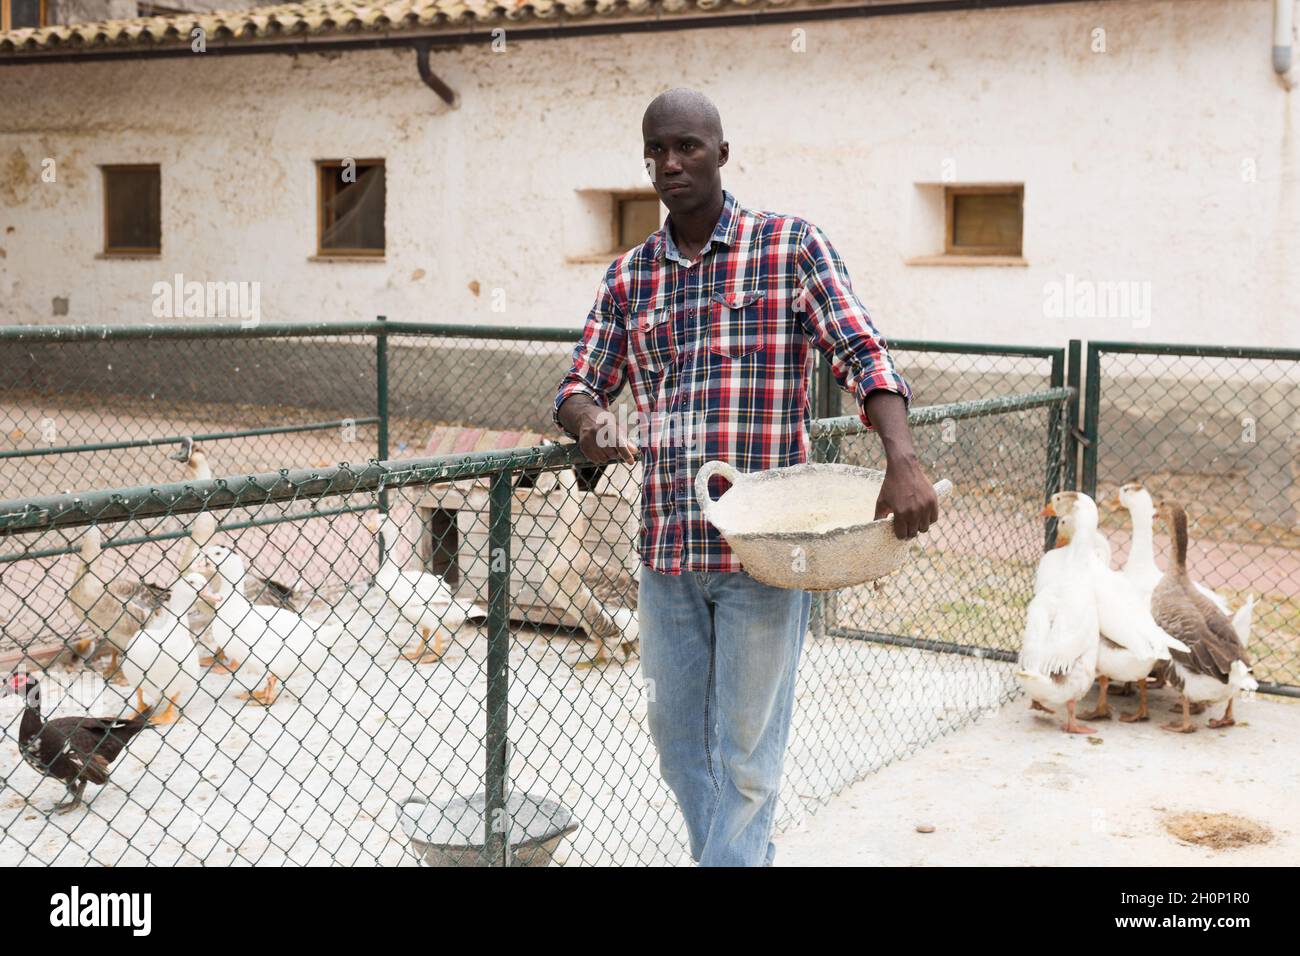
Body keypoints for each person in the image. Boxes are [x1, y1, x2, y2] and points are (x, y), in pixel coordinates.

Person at [553, 88, 940, 866]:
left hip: (766, 554)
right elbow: (579, 383)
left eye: (688, 147)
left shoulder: (790, 248)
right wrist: (592, 421)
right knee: (675, 746)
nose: (671, 164)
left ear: (722, 154)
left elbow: (864, 353)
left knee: (747, 758)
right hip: (667, 552)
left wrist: (901, 457)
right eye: (657, 151)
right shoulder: (631, 278)